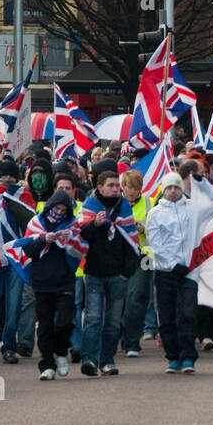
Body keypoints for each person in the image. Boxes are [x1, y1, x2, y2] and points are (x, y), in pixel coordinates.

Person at [78, 160, 141, 376]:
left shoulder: (124, 208)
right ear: (100, 186)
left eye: (117, 185)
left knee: (113, 322)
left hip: (118, 275)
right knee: (93, 319)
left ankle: (107, 361)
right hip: (94, 272)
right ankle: (89, 360)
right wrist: (95, 224)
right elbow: (81, 235)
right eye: (111, 185)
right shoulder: (89, 206)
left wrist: (126, 272)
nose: (116, 189)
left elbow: (132, 243)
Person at [20, 190, 84, 380]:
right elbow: (27, 250)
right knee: (45, 326)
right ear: (50, 207)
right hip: (41, 281)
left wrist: (69, 239)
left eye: (64, 210)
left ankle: (61, 352)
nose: (60, 213)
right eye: (57, 209)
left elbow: (80, 251)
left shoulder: (73, 225)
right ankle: (47, 364)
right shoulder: (35, 223)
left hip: (65, 281)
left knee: (65, 322)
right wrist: (43, 240)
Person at [145, 172, 203, 373]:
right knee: (167, 315)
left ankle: (188, 357)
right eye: (169, 188)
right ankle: (173, 357)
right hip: (165, 271)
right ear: (163, 190)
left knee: (188, 313)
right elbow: (155, 244)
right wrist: (172, 264)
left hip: (189, 271)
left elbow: (199, 234)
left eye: (176, 187)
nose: (172, 191)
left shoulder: (192, 208)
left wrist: (202, 185)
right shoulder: (155, 213)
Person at [0, 158, 36, 364]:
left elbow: (31, 223)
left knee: (13, 307)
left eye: (12, 176)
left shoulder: (23, 196)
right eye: (4, 175)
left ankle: (9, 347)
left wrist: (14, 203)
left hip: (16, 260)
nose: (8, 179)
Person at [119, 168, 158, 357]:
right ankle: (122, 337)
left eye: (135, 187)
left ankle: (132, 342)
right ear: (122, 187)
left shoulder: (150, 203)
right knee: (120, 299)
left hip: (145, 256)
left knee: (138, 298)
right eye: (128, 187)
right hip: (121, 257)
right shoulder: (116, 204)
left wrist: (144, 229)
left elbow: (157, 232)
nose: (132, 191)